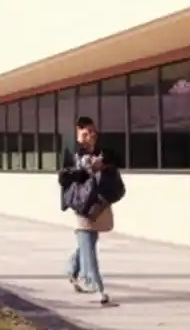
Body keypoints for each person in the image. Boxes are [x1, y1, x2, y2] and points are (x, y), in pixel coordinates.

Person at [58, 115, 124, 305]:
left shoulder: (101, 150)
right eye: (86, 133)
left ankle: (72, 269)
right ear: (78, 133)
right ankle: (95, 286)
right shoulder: (72, 150)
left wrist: (103, 162)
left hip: (97, 201)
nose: (91, 136)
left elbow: (118, 161)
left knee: (90, 239)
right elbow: (64, 178)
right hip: (80, 202)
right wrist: (85, 170)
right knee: (86, 238)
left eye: (93, 132)